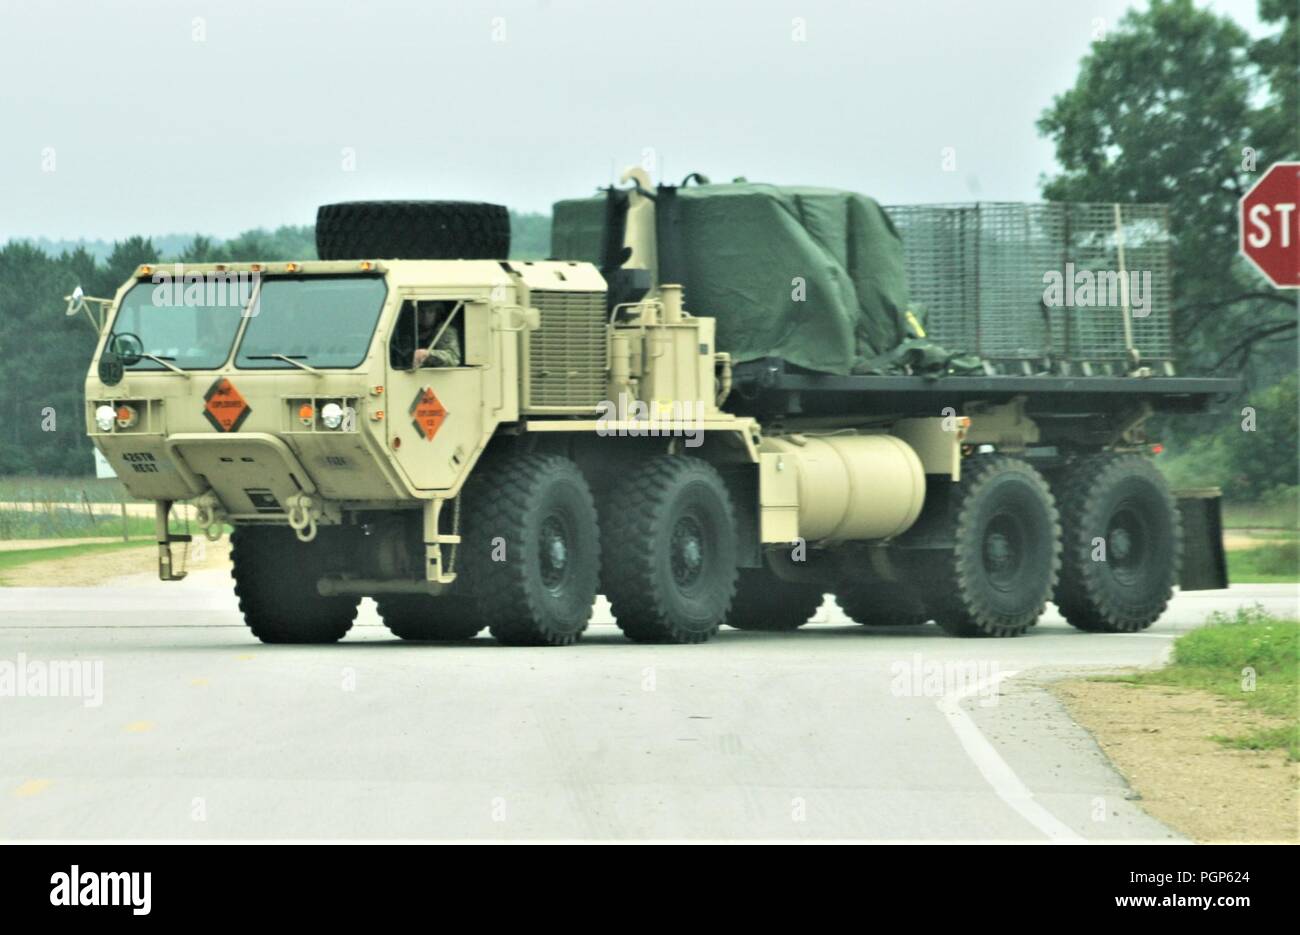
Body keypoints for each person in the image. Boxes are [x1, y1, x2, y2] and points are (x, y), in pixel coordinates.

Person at [393, 300, 462, 368]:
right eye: (422, 311)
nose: (426, 316)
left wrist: (428, 354)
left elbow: (453, 359)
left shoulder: (444, 330)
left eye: (431, 311)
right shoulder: (409, 329)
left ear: (437, 313)